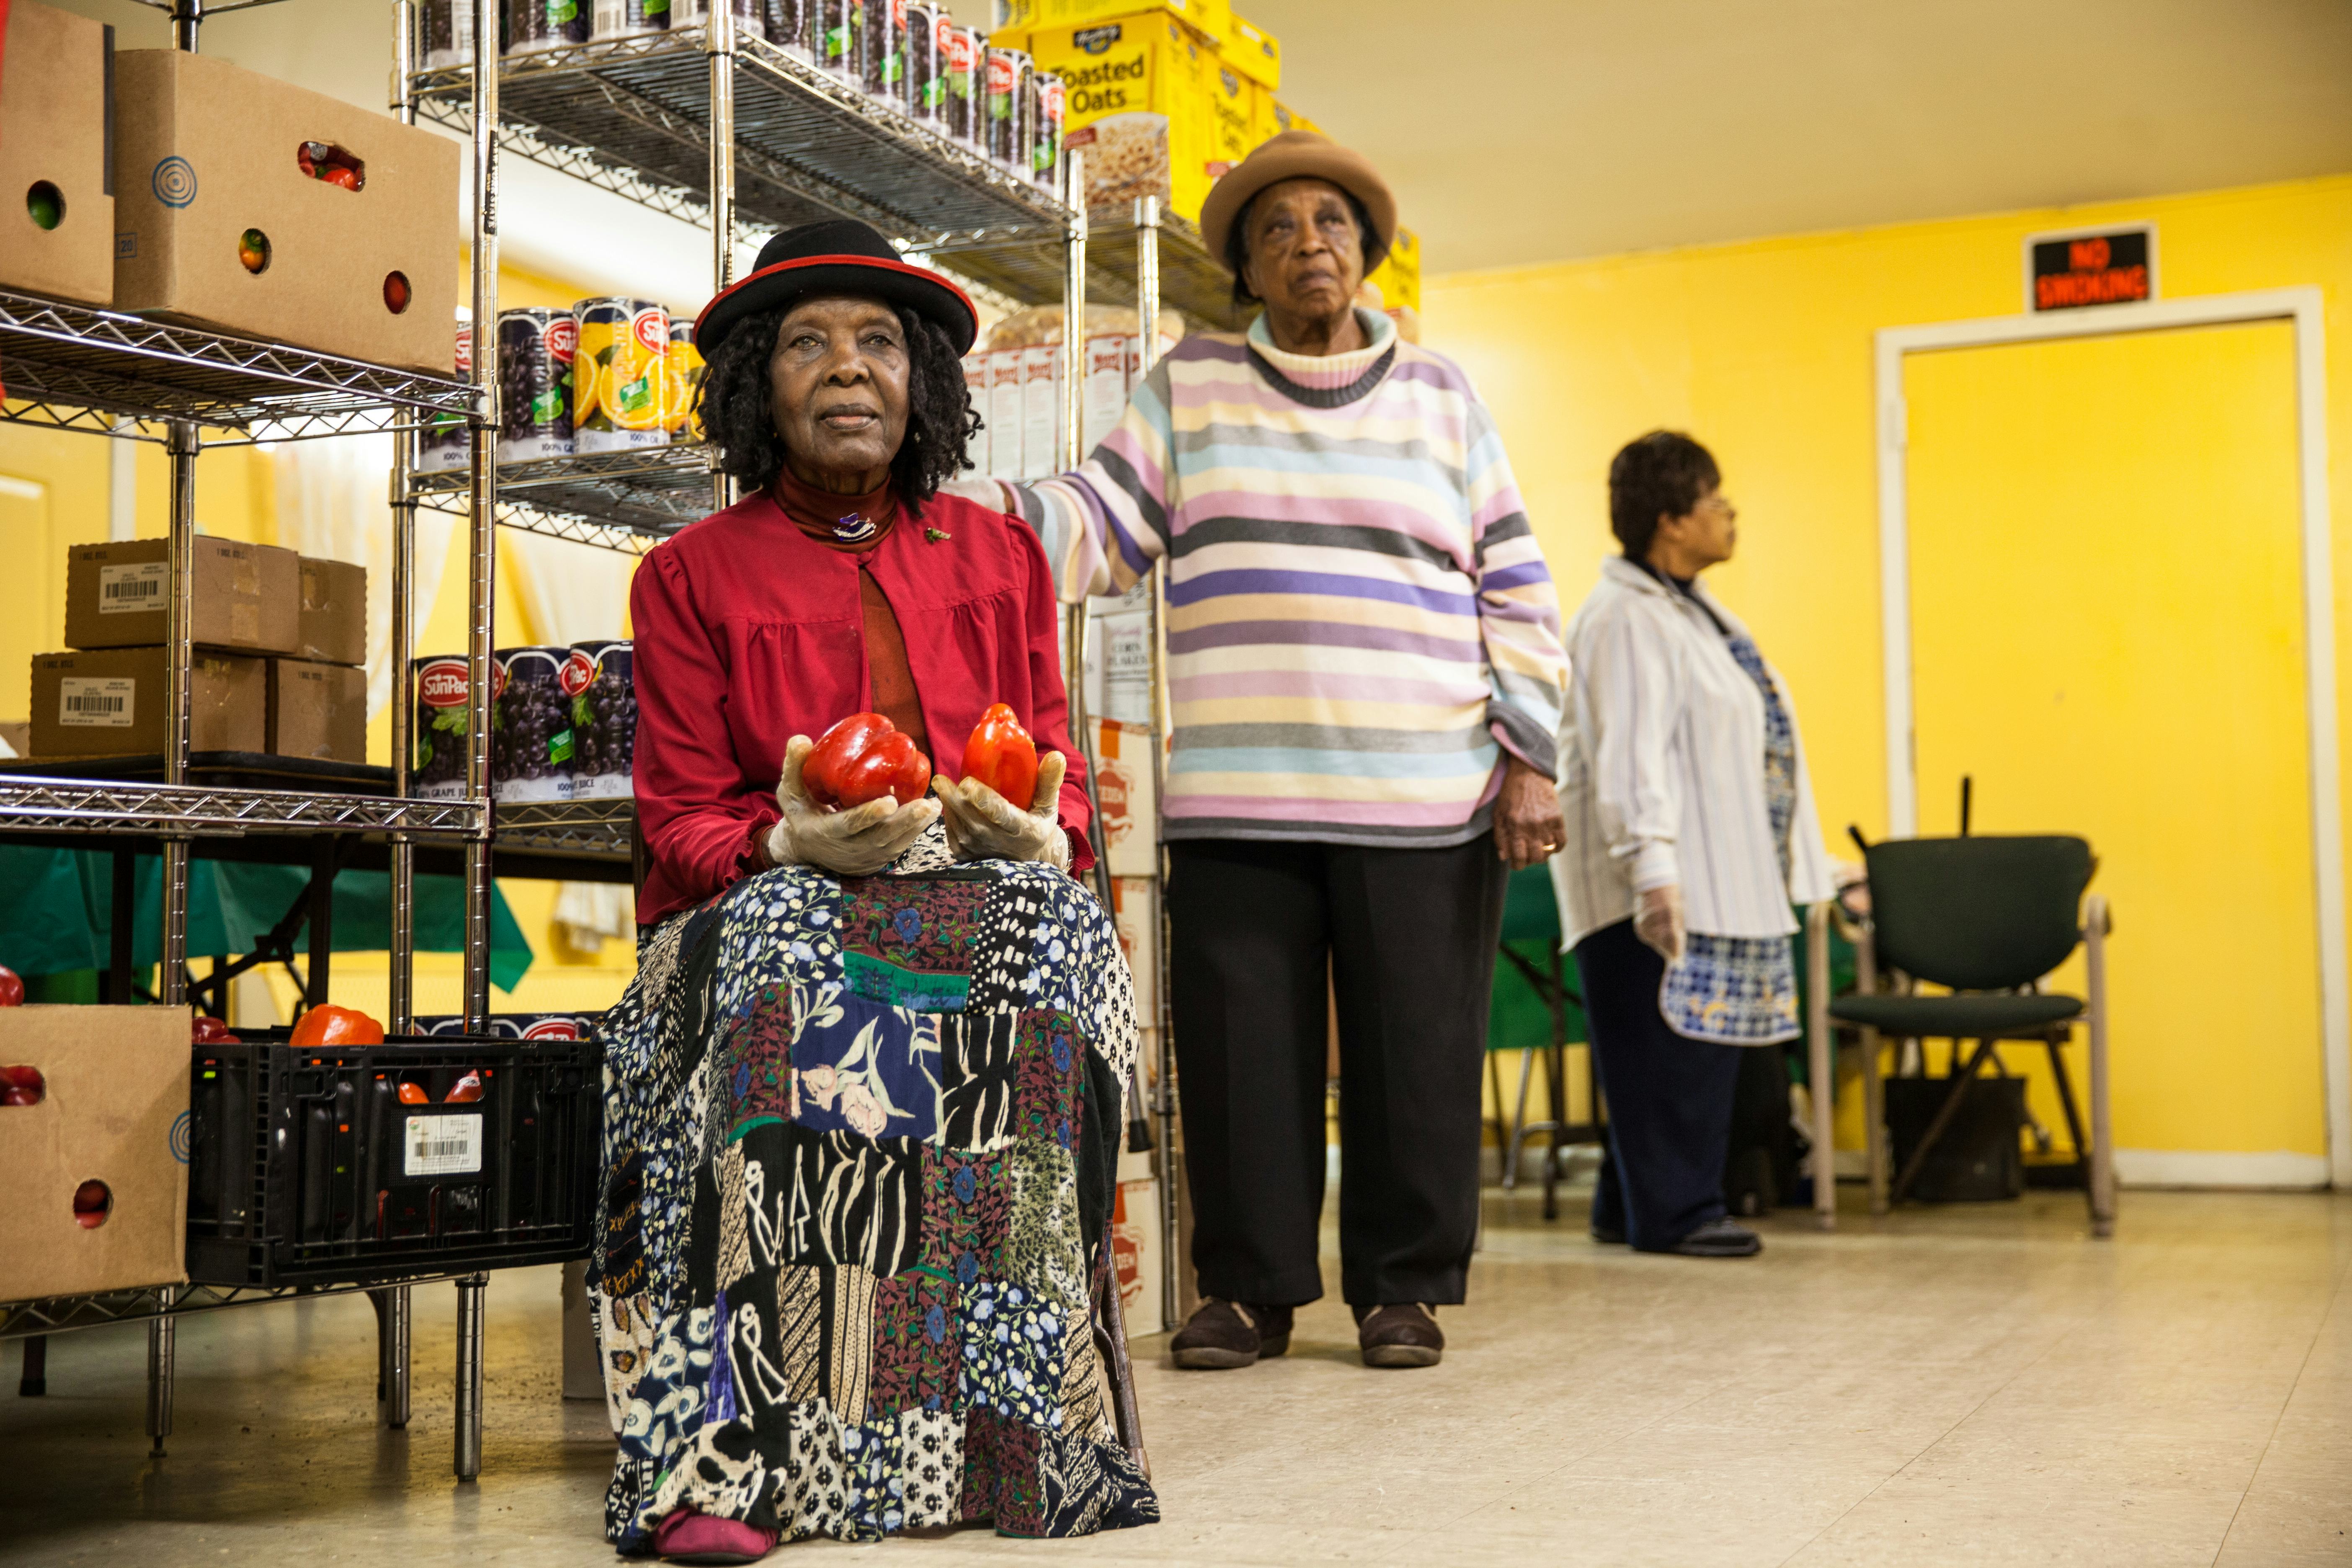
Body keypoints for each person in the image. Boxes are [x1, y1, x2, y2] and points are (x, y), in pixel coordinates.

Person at [588, 219, 1158, 1559]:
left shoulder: (1003, 556)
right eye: (807, 342)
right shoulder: (686, 576)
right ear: (753, 385)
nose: (848, 368)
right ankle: (734, 1461)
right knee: (794, 945)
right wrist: (786, 849)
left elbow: (1061, 771)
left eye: (880, 342)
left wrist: (1038, 831)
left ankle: (1013, 1438)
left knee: (1049, 927)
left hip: (962, 898)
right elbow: (676, 817)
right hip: (763, 904)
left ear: (926, 387)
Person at [978, 132, 1569, 1370]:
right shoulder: (1190, 387)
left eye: (1333, 223)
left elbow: (1516, 582)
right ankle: (1246, 1291)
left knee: (1418, 1054)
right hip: (1242, 795)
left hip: (1426, 794)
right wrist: (980, 512)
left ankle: (1401, 1289)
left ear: (1367, 251)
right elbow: (1101, 525)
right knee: (1245, 1050)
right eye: (1279, 228)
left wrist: (1531, 753)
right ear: (1246, 265)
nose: (1310, 242)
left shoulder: (1444, 398)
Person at [1551, 431, 1836, 1257]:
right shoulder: (1624, 620)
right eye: (1716, 501)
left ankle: (1629, 1204)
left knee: (1684, 1053)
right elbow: (1630, 755)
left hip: (1713, 876)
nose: (1730, 514)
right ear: (1672, 522)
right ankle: (1675, 1213)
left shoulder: (1695, 614)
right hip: (1656, 882)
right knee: (1666, 1054)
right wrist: (1654, 870)